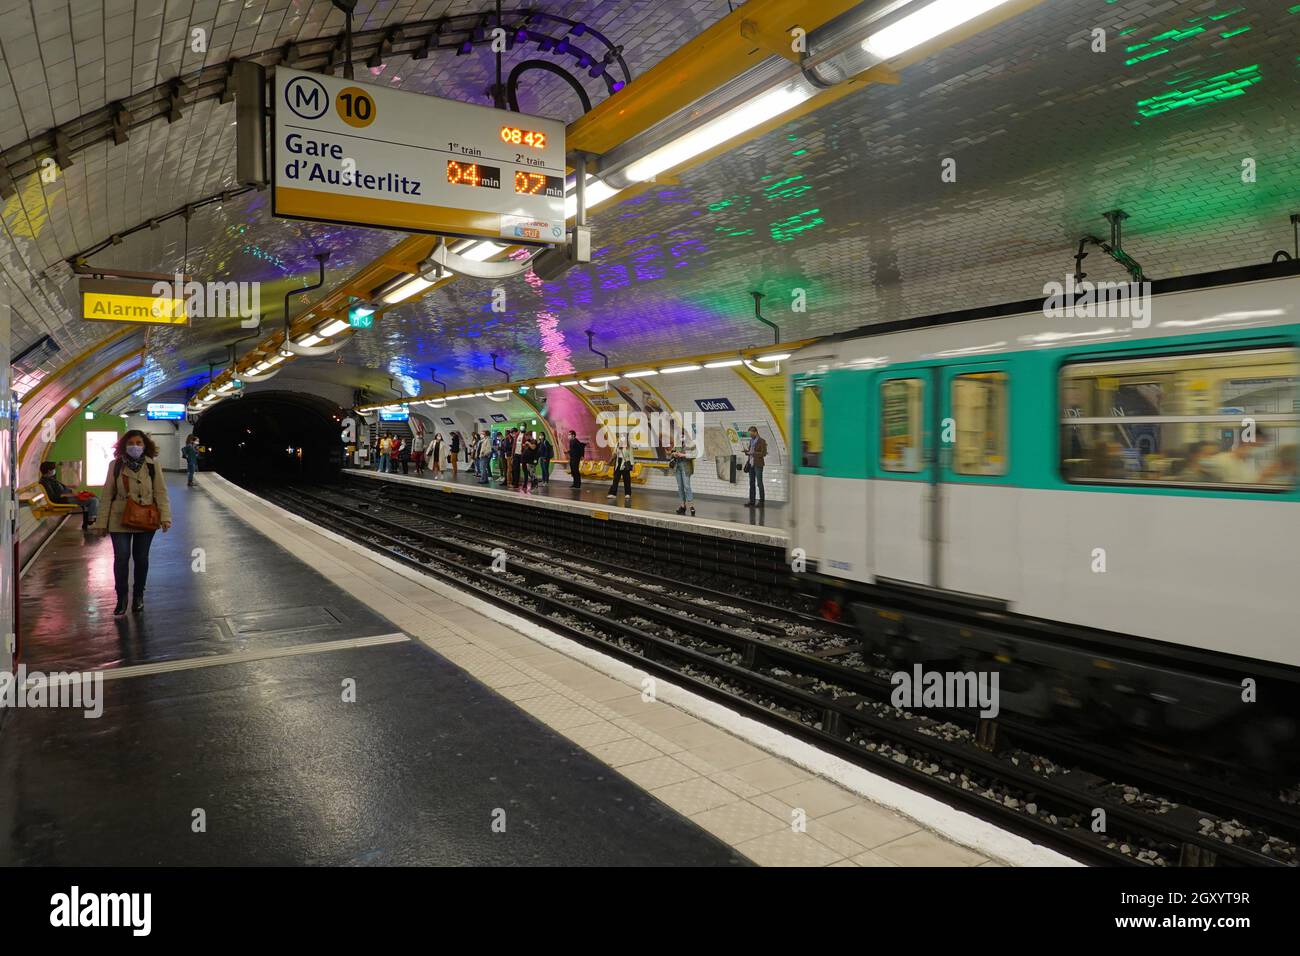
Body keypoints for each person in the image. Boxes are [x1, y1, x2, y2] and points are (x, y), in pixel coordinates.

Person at [92, 430, 172, 615]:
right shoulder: (116, 465)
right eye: (130, 443)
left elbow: (160, 492)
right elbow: (107, 495)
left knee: (141, 559)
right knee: (121, 557)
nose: (134, 446)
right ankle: (121, 597)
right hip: (119, 518)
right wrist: (101, 523)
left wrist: (165, 517)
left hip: (146, 517)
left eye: (139, 443)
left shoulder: (153, 466)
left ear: (145, 446)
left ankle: (138, 596)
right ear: (124, 446)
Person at [39, 461, 99, 530]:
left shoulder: (50, 479)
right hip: (64, 500)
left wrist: (71, 489)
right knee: (93, 500)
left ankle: (89, 522)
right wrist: (71, 495)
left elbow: (59, 489)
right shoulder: (45, 482)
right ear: (49, 470)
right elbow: (54, 497)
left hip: (67, 497)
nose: (54, 470)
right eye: (53, 469)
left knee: (92, 497)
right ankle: (91, 522)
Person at [669, 436, 696, 516]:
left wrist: (683, 455)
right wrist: (674, 454)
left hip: (686, 467)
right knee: (680, 486)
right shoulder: (677, 442)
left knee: (687, 486)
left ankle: (691, 505)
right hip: (677, 466)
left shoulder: (691, 443)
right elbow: (672, 452)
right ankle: (682, 506)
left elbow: (694, 455)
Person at [745, 425, 768, 508]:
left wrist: (752, 453)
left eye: (751, 433)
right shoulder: (751, 441)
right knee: (751, 483)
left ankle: (761, 502)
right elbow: (750, 451)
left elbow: (764, 453)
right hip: (751, 464)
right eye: (749, 434)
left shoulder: (762, 441)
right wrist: (746, 452)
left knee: (759, 483)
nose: (750, 435)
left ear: (756, 432)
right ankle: (752, 501)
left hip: (758, 465)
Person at [607, 435, 633, 501]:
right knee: (616, 479)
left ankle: (628, 494)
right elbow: (614, 453)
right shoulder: (618, 444)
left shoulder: (628, 446)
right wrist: (610, 460)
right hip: (618, 462)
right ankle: (613, 493)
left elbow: (631, 456)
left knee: (626, 479)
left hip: (625, 463)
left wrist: (632, 465)